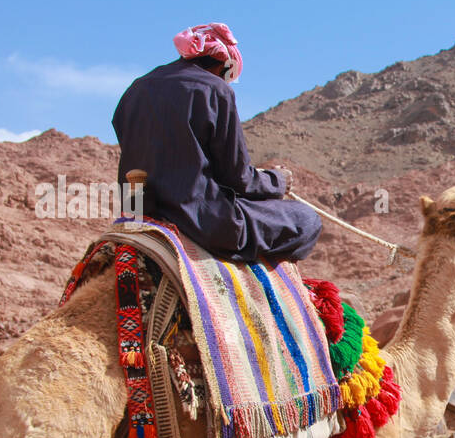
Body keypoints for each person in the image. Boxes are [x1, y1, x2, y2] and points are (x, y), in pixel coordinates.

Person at [112, 22, 321, 263]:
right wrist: (278, 181)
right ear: (223, 64)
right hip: (199, 219)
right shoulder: (215, 90)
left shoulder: (135, 89)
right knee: (306, 219)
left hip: (139, 209)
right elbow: (238, 178)